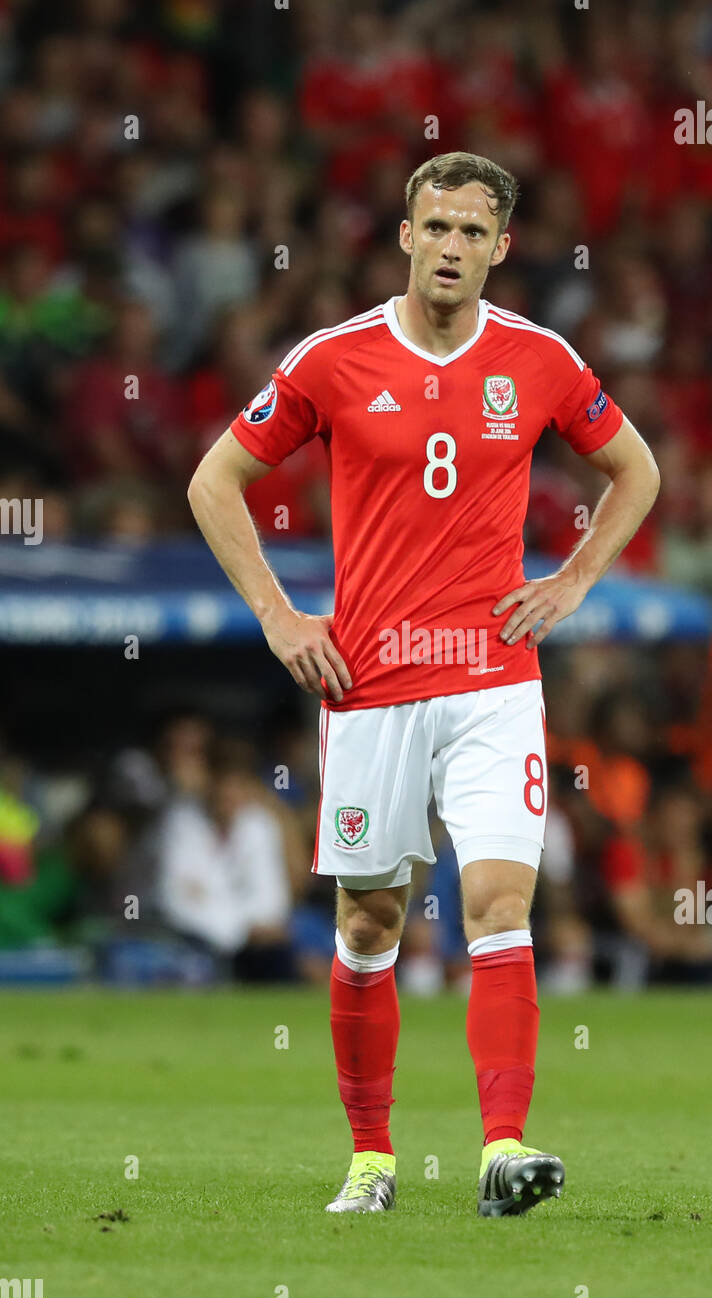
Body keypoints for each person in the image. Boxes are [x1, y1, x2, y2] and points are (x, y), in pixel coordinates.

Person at [187, 152, 659, 1216]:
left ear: (500, 248)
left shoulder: (536, 360)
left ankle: (502, 1149)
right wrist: (277, 613)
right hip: (372, 683)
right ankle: (370, 1160)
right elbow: (215, 478)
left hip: (495, 676)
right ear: (404, 236)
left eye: (472, 233)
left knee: (498, 903)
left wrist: (574, 578)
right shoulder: (333, 359)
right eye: (435, 228)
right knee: (368, 927)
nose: (451, 248)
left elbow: (637, 469)